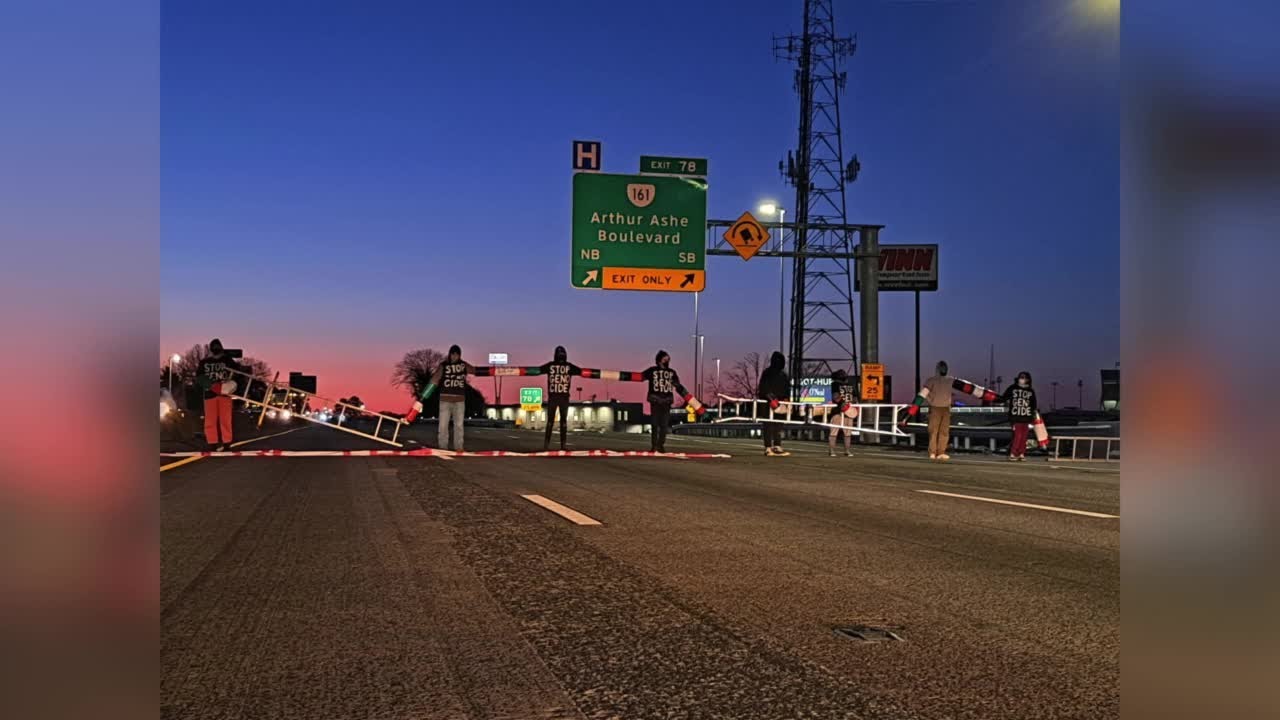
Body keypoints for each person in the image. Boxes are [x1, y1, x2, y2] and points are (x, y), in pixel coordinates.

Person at [196, 338, 242, 450]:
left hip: (225, 394)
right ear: (211, 349)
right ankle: (212, 442)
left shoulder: (228, 361)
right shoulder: (204, 362)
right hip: (209, 394)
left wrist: (232, 386)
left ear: (221, 348)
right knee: (210, 420)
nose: (216, 350)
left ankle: (227, 443)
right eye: (214, 348)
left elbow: (238, 375)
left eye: (218, 348)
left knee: (225, 419)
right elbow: (199, 377)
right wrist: (211, 385)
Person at [427, 344, 474, 452]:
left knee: (459, 426)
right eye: (452, 354)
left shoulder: (464, 365)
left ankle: (459, 448)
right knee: (443, 426)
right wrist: (424, 395)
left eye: (456, 355)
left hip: (460, 401)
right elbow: (434, 380)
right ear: (449, 354)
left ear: (459, 355)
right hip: (445, 400)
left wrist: (495, 371)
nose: (454, 357)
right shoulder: (443, 365)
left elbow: (475, 371)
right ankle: (443, 448)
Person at [642, 350, 690, 453]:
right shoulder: (652, 371)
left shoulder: (672, 372)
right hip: (655, 401)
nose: (667, 360)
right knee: (655, 424)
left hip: (667, 401)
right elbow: (640, 377)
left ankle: (660, 445)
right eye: (665, 358)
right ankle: (654, 446)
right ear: (660, 359)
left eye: (668, 359)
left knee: (664, 425)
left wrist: (688, 397)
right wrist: (623, 376)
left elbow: (678, 385)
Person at [539, 345, 582, 451]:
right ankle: (562, 445)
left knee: (550, 421)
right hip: (563, 398)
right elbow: (582, 372)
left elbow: (537, 370)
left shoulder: (550, 366)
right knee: (562, 422)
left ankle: (547, 445)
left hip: (554, 397)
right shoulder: (569, 367)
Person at [757, 351, 791, 457]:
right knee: (768, 425)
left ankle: (777, 445)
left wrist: (786, 400)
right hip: (767, 403)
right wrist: (771, 398)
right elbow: (763, 388)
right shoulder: (768, 373)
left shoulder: (783, 375)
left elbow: (787, 389)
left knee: (778, 425)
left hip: (779, 404)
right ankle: (768, 447)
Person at [1001, 371, 1038, 461]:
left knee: (1024, 436)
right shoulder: (1012, 388)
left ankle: (1021, 454)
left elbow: (1033, 404)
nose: (1022, 379)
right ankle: (1013, 453)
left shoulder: (1030, 390)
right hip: (1015, 416)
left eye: (1024, 377)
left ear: (1028, 379)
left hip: (1026, 416)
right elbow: (1004, 397)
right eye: (1021, 377)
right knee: (1017, 435)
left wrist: (1033, 415)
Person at [924, 360, 954, 460]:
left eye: (944, 367)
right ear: (938, 369)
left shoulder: (951, 380)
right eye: (942, 367)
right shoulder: (931, 380)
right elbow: (924, 394)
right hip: (935, 408)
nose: (943, 369)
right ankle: (932, 452)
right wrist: (931, 401)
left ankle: (941, 452)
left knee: (944, 431)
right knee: (933, 431)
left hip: (946, 408)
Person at [828, 368, 855, 457]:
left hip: (840, 410)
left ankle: (834, 451)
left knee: (836, 432)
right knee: (845, 433)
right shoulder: (847, 385)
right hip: (845, 411)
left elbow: (836, 397)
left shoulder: (835, 384)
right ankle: (844, 451)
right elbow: (854, 399)